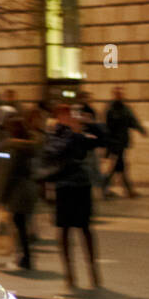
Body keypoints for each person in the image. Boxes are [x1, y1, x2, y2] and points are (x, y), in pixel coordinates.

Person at [41, 103, 102, 289]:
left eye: (71, 114)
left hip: (82, 186)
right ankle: (70, 273)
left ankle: (93, 271)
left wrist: (88, 126)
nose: (69, 117)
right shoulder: (55, 135)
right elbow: (53, 153)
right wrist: (74, 134)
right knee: (65, 231)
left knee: (85, 229)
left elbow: (100, 140)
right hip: (64, 187)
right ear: (58, 116)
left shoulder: (79, 132)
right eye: (65, 114)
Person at [1, 109, 44, 270]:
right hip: (31, 188)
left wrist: (2, 197)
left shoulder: (14, 148)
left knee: (19, 225)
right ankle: (26, 256)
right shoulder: (31, 145)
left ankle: (25, 258)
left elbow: (9, 173)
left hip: (18, 191)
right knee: (24, 224)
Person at [101, 87, 146, 198]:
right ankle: (127, 190)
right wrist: (108, 143)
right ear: (114, 95)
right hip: (115, 142)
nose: (120, 96)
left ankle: (107, 187)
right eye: (118, 94)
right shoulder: (111, 109)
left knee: (118, 167)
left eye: (121, 94)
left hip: (122, 142)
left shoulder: (125, 108)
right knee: (119, 166)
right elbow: (107, 127)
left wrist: (141, 129)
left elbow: (132, 121)